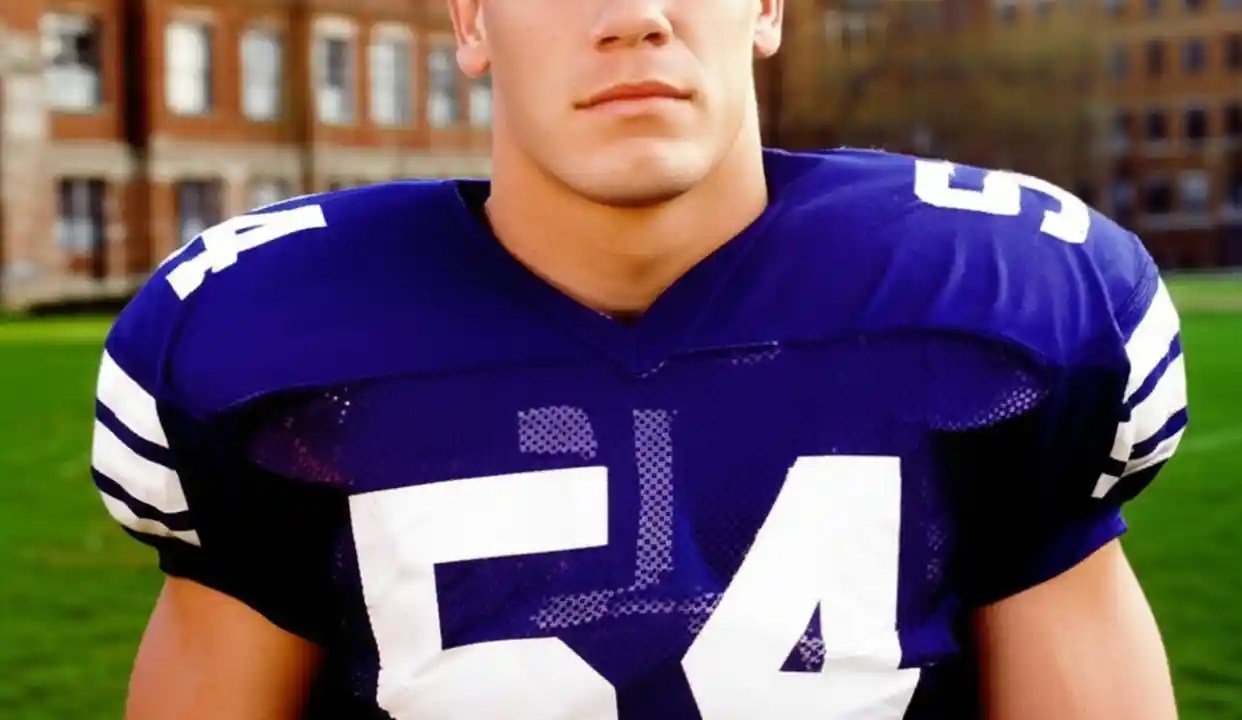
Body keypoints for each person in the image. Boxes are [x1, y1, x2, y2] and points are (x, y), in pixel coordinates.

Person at [89, 0, 1186, 717]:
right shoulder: (260, 334)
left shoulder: (1003, 305)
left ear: (762, 9)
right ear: (471, 23)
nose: (632, 18)